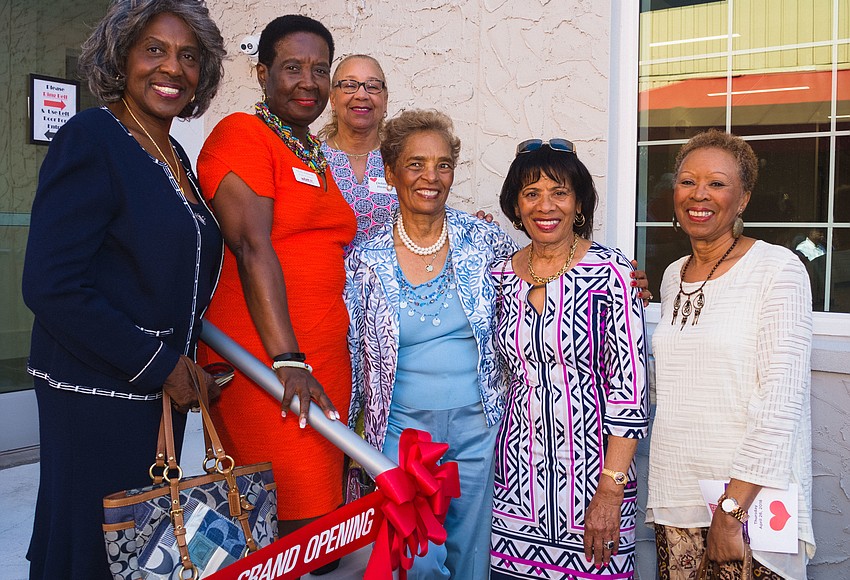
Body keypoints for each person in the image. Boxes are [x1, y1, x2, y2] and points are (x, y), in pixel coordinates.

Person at [21, 1, 225, 578]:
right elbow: (52, 284)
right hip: (96, 393)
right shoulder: (92, 138)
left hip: (156, 396)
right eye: (154, 50)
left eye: (189, 56)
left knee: (139, 552)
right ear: (120, 56)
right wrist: (161, 364)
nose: (173, 68)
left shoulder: (171, 151)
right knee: (92, 546)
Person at [196, 14, 351, 543]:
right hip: (270, 363)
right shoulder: (242, 134)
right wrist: (287, 360)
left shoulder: (309, 149)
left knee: (322, 532)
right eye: (292, 68)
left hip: (321, 358)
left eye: (320, 69)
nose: (309, 82)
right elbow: (249, 245)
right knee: (282, 526)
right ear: (262, 74)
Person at [345, 109, 520, 579]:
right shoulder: (365, 258)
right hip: (403, 430)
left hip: (478, 425)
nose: (431, 176)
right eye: (416, 164)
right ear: (390, 172)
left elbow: (538, 281)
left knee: (471, 554)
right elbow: (352, 352)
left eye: (443, 165)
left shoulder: (483, 240)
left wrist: (612, 276)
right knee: (417, 557)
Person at [647, 129, 815, 579]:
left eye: (717, 183)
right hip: (678, 495)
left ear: (743, 199)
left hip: (750, 507)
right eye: (687, 181)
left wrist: (731, 508)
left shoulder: (777, 269)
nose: (699, 194)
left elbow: (781, 403)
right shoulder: (673, 275)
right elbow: (678, 385)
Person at [489, 139, 650, 579]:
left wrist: (610, 492)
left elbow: (631, 392)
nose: (546, 206)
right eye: (531, 193)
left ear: (579, 203)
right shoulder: (498, 275)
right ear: (516, 205)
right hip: (514, 489)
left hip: (596, 485)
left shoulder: (613, 273)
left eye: (559, 192)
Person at [319, 54, 396, 246]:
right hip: (328, 265)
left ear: (385, 100)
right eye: (349, 85)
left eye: (372, 86)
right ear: (333, 99)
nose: (361, 95)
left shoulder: (401, 161)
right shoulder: (311, 160)